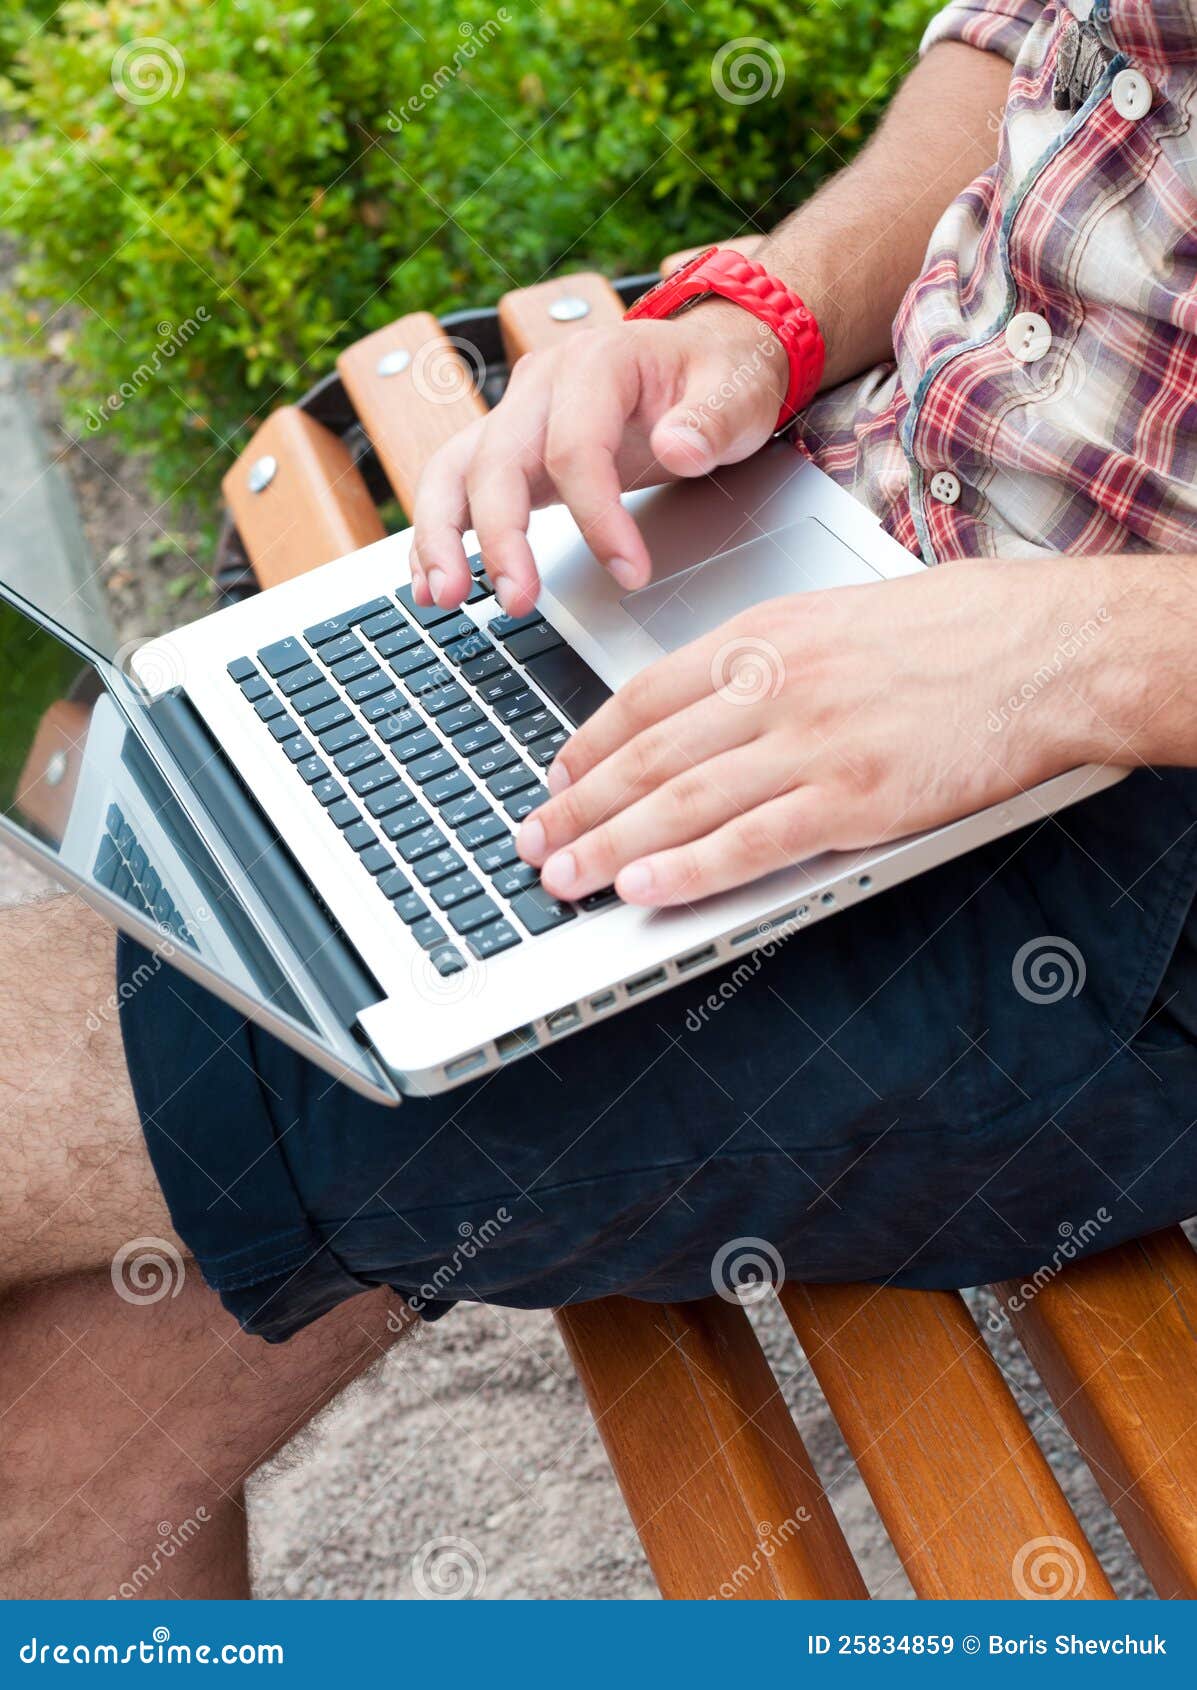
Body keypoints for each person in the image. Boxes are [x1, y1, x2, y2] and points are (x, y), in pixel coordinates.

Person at [3, 0, 1196, 1599]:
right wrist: (762, 316)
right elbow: (1034, 45)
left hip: (1128, 845)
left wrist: (1065, 658)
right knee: (46, 1448)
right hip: (833, 524)